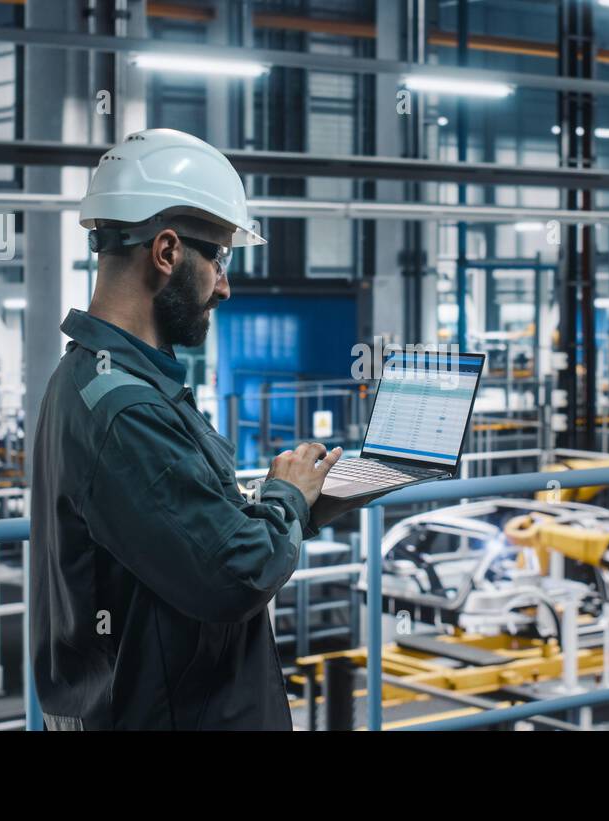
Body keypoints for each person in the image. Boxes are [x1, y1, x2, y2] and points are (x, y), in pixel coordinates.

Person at [29, 129, 363, 730]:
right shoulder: (126, 410)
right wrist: (286, 499)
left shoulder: (90, 378)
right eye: (219, 258)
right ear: (166, 252)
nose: (225, 286)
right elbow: (235, 575)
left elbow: (179, 529)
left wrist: (304, 507)